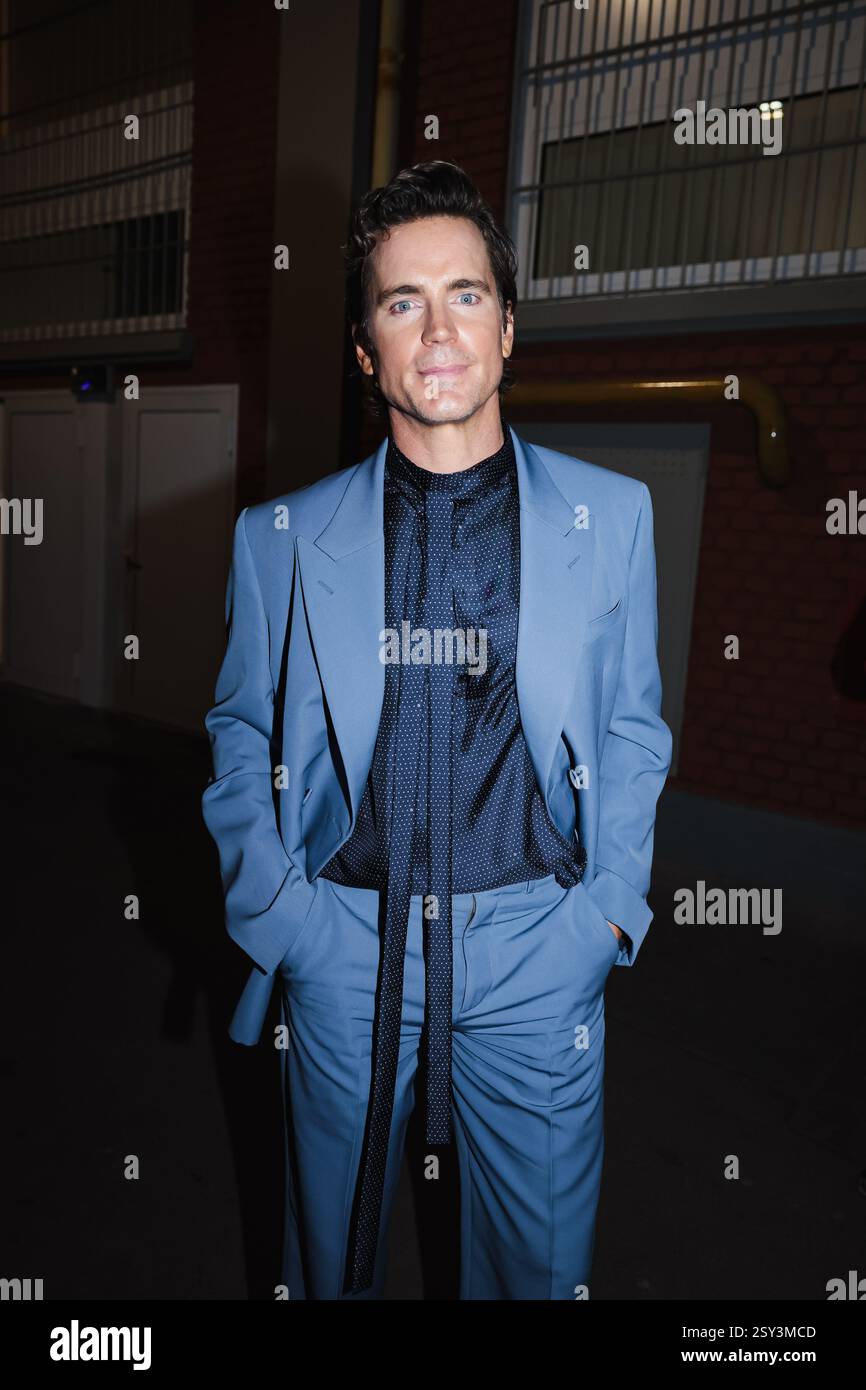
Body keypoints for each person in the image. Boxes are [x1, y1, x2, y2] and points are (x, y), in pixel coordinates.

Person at [202, 160, 672, 1300]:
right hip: (343, 944)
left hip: (535, 947)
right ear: (366, 349)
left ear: (507, 328)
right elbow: (234, 726)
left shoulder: (610, 518)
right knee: (332, 1261)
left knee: (536, 1269)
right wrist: (284, 918)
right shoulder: (279, 537)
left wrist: (603, 916)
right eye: (401, 301)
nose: (438, 327)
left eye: (464, 293)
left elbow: (631, 729)